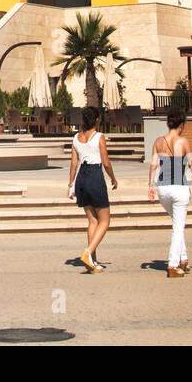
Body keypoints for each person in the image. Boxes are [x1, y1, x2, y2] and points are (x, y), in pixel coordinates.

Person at [148, 106, 192, 278]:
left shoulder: (158, 142)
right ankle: (173, 265)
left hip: (163, 189)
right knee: (178, 227)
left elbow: (153, 165)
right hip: (180, 188)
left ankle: (183, 259)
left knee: (177, 223)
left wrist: (150, 185)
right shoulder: (184, 142)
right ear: (181, 125)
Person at [67, 105, 117, 272]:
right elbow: (106, 162)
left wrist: (71, 182)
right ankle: (88, 252)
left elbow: (74, 163)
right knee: (104, 220)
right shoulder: (99, 137)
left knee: (92, 221)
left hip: (81, 177)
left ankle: (92, 262)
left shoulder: (76, 138)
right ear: (97, 120)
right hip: (95, 175)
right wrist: (113, 178)